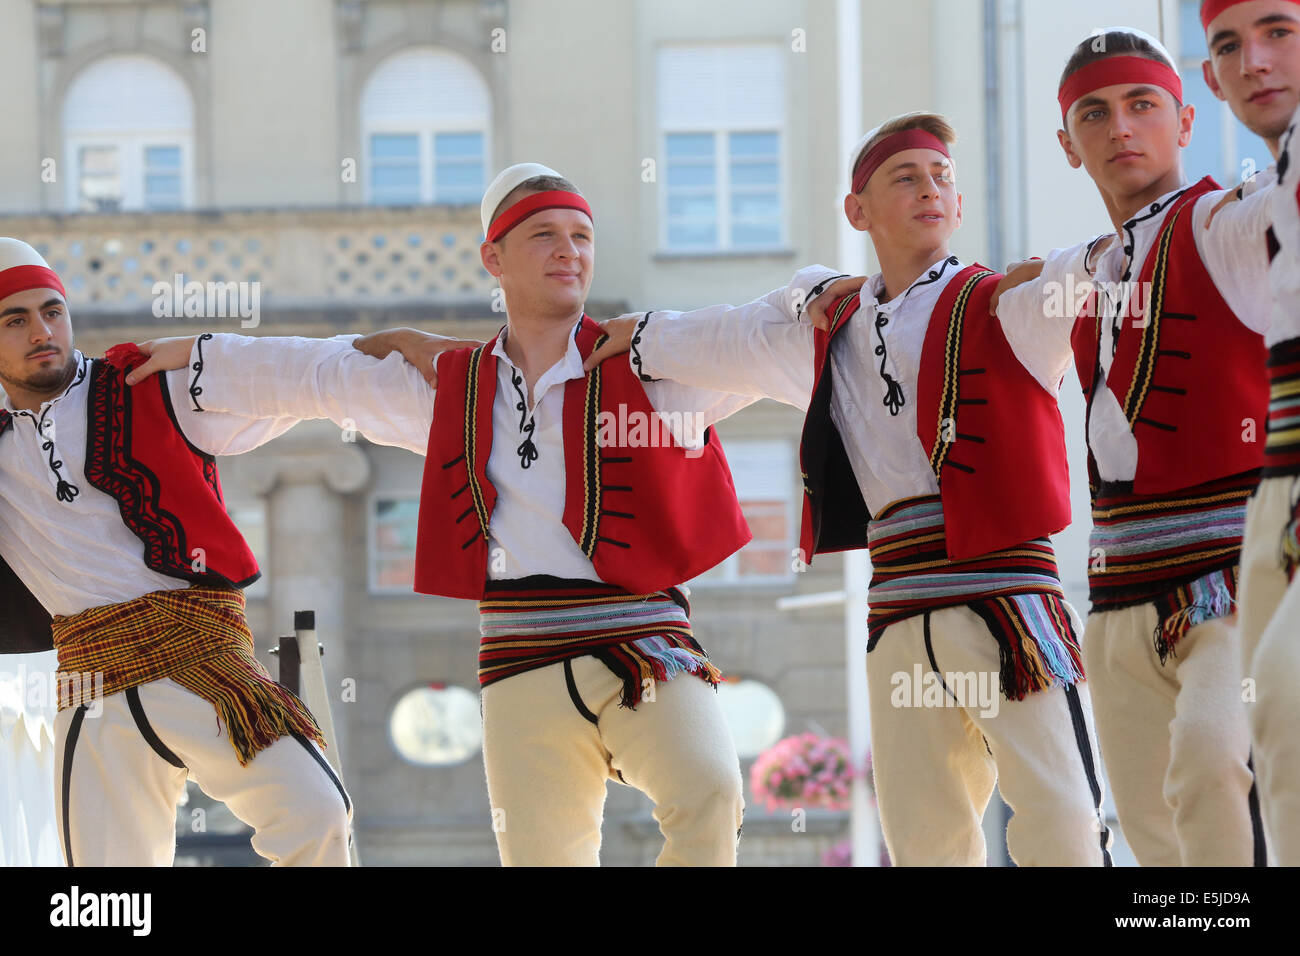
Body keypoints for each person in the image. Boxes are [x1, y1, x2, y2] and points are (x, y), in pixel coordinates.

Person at [129, 163, 763, 867]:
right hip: (522, 653)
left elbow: (757, 337)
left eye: (582, 236)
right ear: (493, 257)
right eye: (545, 234)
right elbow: (322, 373)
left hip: (645, 640)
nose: (570, 251)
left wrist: (827, 296)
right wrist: (203, 358)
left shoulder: (652, 362)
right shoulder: (454, 386)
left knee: (709, 791)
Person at [577, 112, 1113, 866]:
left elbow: (1091, 272)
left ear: (958, 207)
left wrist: (1111, 249)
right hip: (898, 615)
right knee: (922, 835)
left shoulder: (1005, 304)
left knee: (1063, 817)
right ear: (857, 211)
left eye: (942, 179)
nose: (931, 190)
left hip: (1007, 602)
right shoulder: (833, 328)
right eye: (907, 177)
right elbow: (731, 337)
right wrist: (645, 334)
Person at [0, 237, 352, 866]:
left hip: (202, 659)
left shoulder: (148, 384)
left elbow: (304, 380)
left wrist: (397, 346)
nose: (41, 331)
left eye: (52, 311)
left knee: (318, 812)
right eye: (15, 319)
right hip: (91, 683)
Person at [1043, 26, 1275, 866]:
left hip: (1231, 580)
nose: (1120, 129)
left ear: (1184, 120)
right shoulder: (1080, 275)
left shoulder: (1229, 223)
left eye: (1142, 105)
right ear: (1068, 144)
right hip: (1115, 598)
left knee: (1213, 767)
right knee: (1149, 832)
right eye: (1094, 114)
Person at [1198, 0, 1300, 862]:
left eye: (1280, 32)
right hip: (1278, 483)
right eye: (1231, 45)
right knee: (1275, 729)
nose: (1255, 60)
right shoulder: (1270, 189)